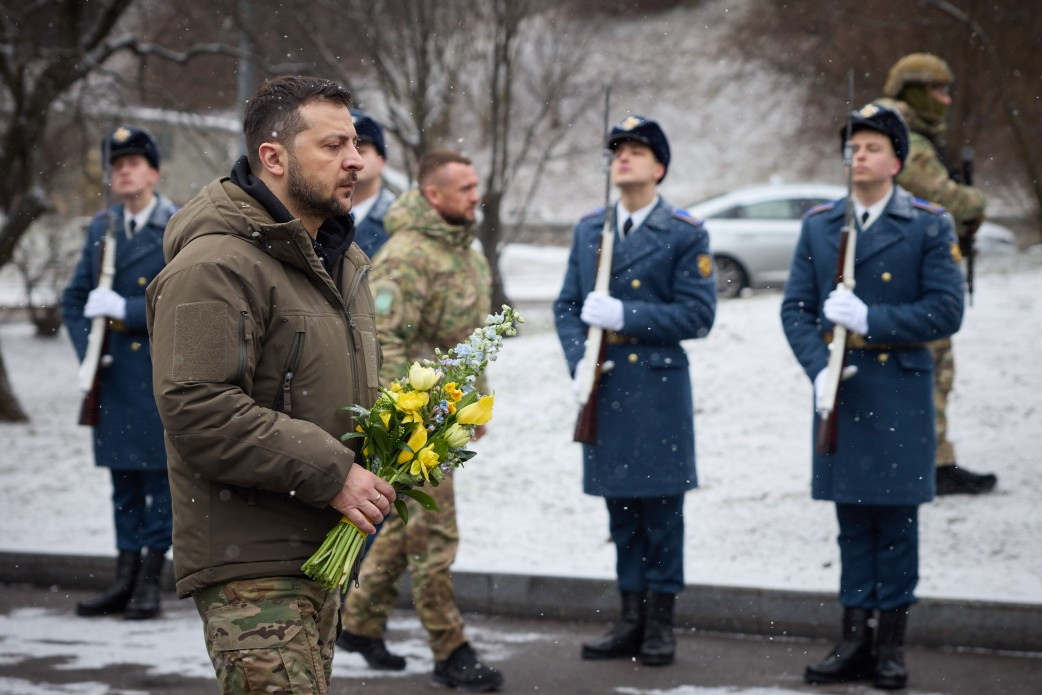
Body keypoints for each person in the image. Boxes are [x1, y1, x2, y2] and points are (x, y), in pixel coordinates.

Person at [145, 75, 396, 693]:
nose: (356, 161)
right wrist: (334, 472)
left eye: (357, 143)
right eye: (334, 145)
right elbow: (199, 407)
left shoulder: (337, 261)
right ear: (274, 158)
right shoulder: (214, 266)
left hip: (316, 551)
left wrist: (408, 429)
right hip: (253, 562)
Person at [780, 103, 965, 690]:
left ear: (897, 161)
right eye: (852, 148)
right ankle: (853, 638)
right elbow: (795, 310)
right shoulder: (820, 225)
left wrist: (871, 318)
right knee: (853, 523)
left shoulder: (929, 224)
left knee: (897, 525)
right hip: (845, 394)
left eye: (871, 147)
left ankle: (891, 645)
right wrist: (819, 371)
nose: (857, 156)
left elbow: (946, 310)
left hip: (900, 392)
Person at [337, 149, 504, 692]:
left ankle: (359, 622)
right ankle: (450, 650)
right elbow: (382, 343)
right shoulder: (408, 255)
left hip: (448, 418)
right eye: (465, 187)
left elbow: (467, 345)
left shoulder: (467, 251)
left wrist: (474, 404)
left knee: (405, 528)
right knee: (435, 538)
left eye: (477, 184)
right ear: (433, 195)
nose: (476, 194)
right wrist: (405, 426)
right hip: (415, 424)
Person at [553, 116, 717, 667]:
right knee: (622, 513)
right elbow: (568, 306)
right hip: (606, 385)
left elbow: (698, 314)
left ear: (659, 167)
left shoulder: (685, 231)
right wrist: (581, 359)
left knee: (662, 513)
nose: (623, 157)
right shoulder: (589, 230)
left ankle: (661, 624)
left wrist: (629, 313)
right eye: (617, 150)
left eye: (637, 150)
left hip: (656, 385)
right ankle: (629, 619)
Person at [61, 125, 178, 621]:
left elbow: (184, 305)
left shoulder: (175, 227)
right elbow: (73, 299)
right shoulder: (101, 229)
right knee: (123, 487)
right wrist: (93, 351)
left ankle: (150, 583)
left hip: (158, 378)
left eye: (133, 163)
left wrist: (128, 311)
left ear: (153, 172)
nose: (123, 171)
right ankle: (124, 581)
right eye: (117, 165)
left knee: (161, 486)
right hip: (115, 380)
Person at [877, 52, 997, 496]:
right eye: (938, 91)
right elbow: (946, 197)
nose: (945, 101)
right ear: (914, 91)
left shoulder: (905, 135)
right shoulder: (904, 139)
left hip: (914, 272)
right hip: (909, 277)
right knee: (929, 367)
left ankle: (931, 457)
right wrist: (976, 200)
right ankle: (928, 462)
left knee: (934, 367)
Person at [350, 111, 396, 257]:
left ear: (381, 161)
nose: (352, 159)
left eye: (360, 151)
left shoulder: (398, 219)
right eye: (337, 149)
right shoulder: (316, 216)